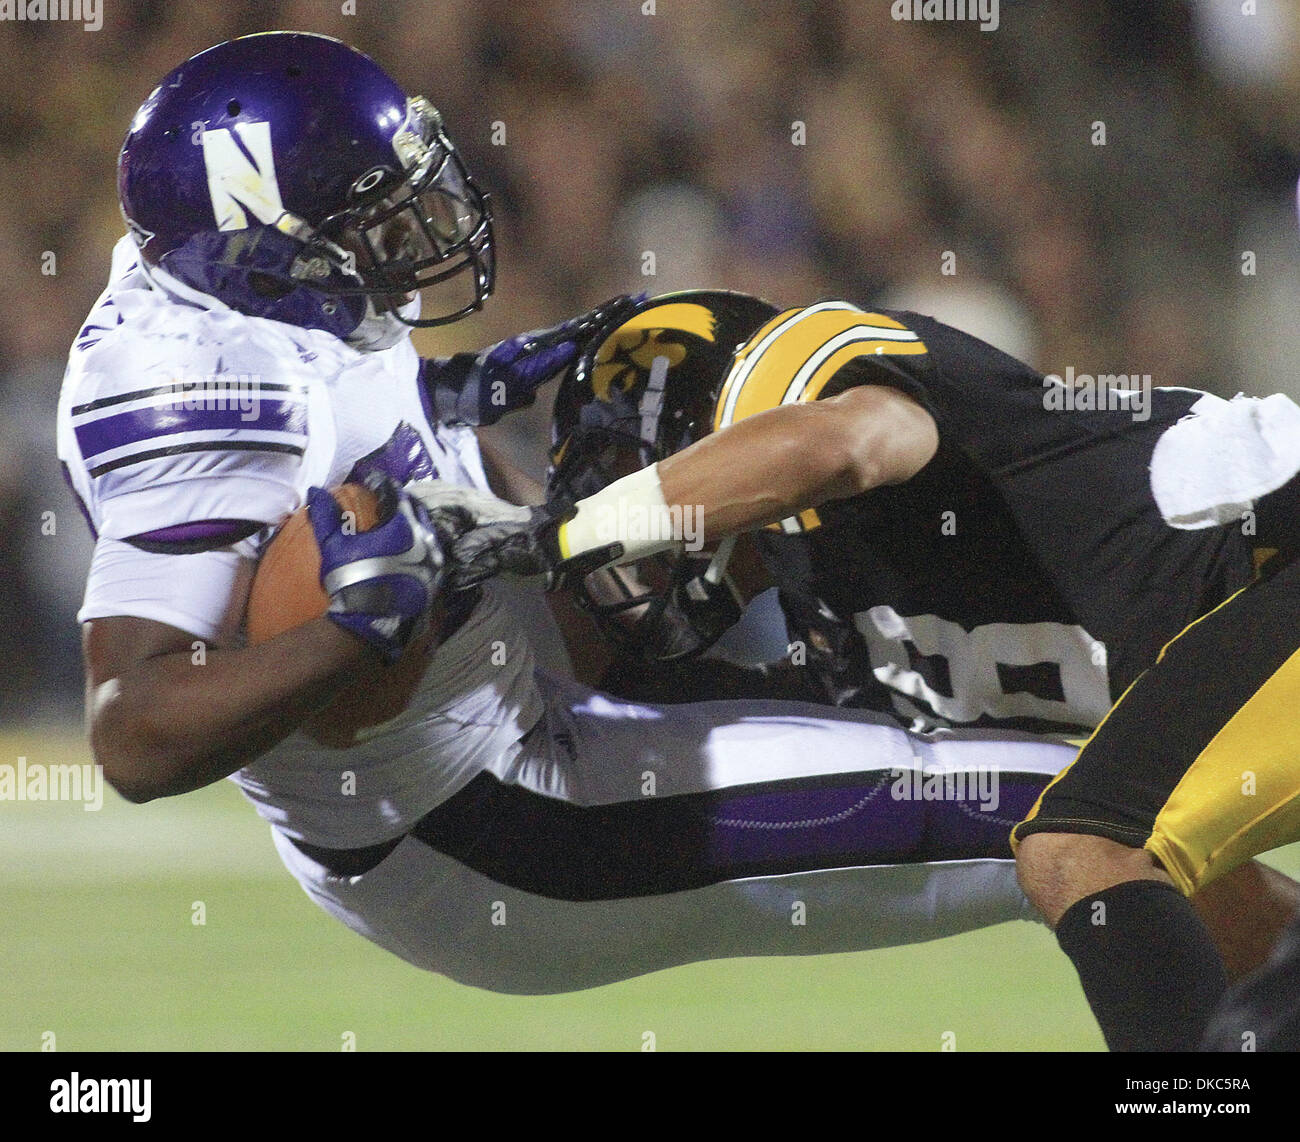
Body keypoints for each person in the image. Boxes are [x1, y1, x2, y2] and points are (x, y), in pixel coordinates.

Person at [59, 32, 1080, 998]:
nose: (424, 234)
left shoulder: (268, 302)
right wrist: (350, 632)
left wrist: (473, 412)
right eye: (375, 222)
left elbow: (373, 434)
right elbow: (135, 736)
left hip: (527, 694)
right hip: (482, 818)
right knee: (1088, 807)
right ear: (268, 250)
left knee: (1056, 752)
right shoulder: (195, 397)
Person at [456, 289, 1299, 1020]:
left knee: (1082, 849)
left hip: (1281, 552)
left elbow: (845, 445)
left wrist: (568, 532)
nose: (630, 552)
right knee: (1149, 883)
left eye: (631, 485)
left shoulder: (788, 380)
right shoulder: (843, 633)